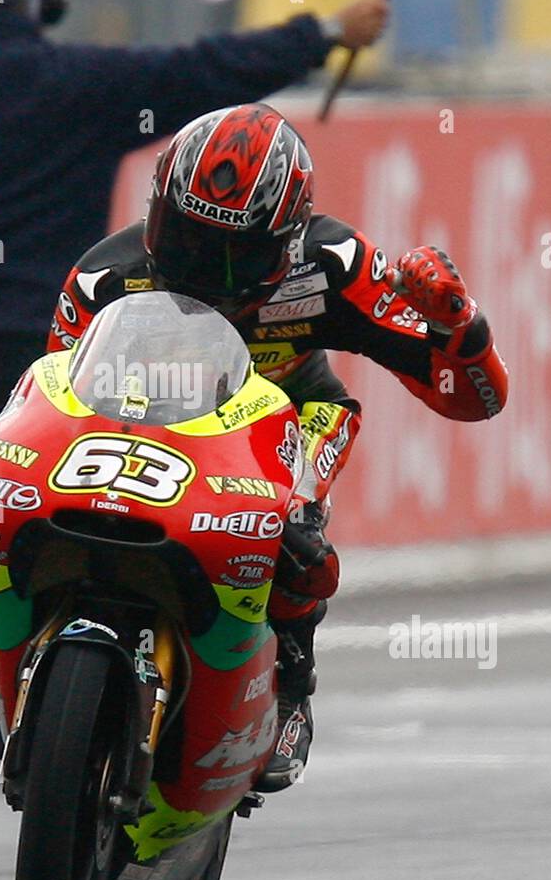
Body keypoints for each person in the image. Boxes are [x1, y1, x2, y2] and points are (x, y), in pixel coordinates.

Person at [0, 0, 390, 778]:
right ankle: (8, 729)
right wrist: (323, 32)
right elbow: (205, 70)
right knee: (39, 527)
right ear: (46, 4)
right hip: (46, 346)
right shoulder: (79, 82)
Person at [47, 102, 509, 791]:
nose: (205, 270)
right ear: (156, 211)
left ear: (287, 240)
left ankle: (291, 674)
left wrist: (457, 325)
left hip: (287, 419)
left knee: (293, 533)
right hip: (140, 429)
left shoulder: (337, 265)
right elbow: (45, 400)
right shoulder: (101, 280)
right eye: (187, 240)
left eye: (237, 254)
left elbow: (473, 399)